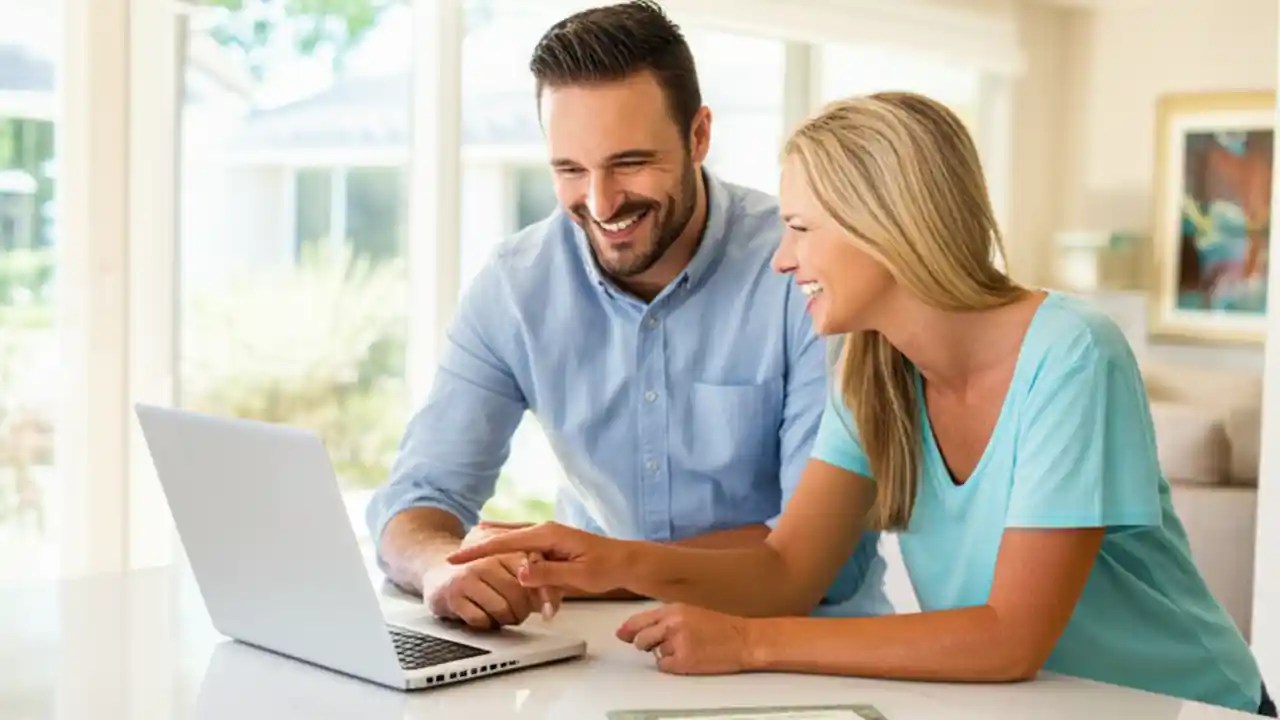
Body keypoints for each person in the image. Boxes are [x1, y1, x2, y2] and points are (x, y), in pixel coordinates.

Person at [449, 91, 1276, 716]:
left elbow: (1009, 637)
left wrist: (750, 645)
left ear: (888, 224)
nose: (782, 260)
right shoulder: (871, 373)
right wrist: (608, 561)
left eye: (802, 228)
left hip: (1184, 707)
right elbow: (787, 572)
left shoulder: (1071, 354)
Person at [365, 0, 888, 631]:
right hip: (602, 646)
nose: (600, 202)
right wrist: (441, 569)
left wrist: (594, 565)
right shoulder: (516, 286)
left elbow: (811, 558)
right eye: (570, 169)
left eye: (629, 163)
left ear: (698, 136)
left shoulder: (803, 271)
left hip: (805, 649)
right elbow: (417, 499)